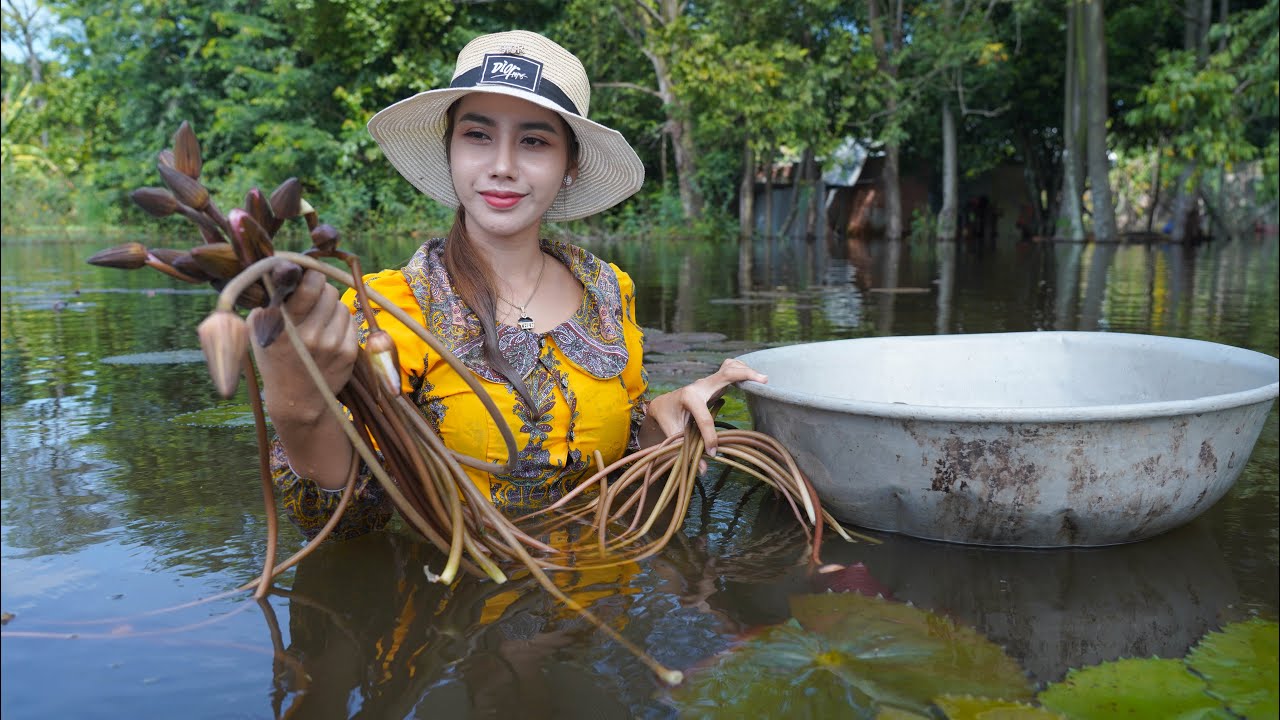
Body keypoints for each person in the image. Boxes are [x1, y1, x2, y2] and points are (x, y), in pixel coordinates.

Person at [249, 30, 766, 539]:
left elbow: (627, 463)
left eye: (534, 141)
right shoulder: (389, 307)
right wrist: (296, 407)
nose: (502, 167)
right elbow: (347, 525)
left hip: (604, 592)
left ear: (569, 166)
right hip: (457, 603)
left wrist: (667, 415)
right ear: (450, 149)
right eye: (477, 136)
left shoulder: (609, 290)